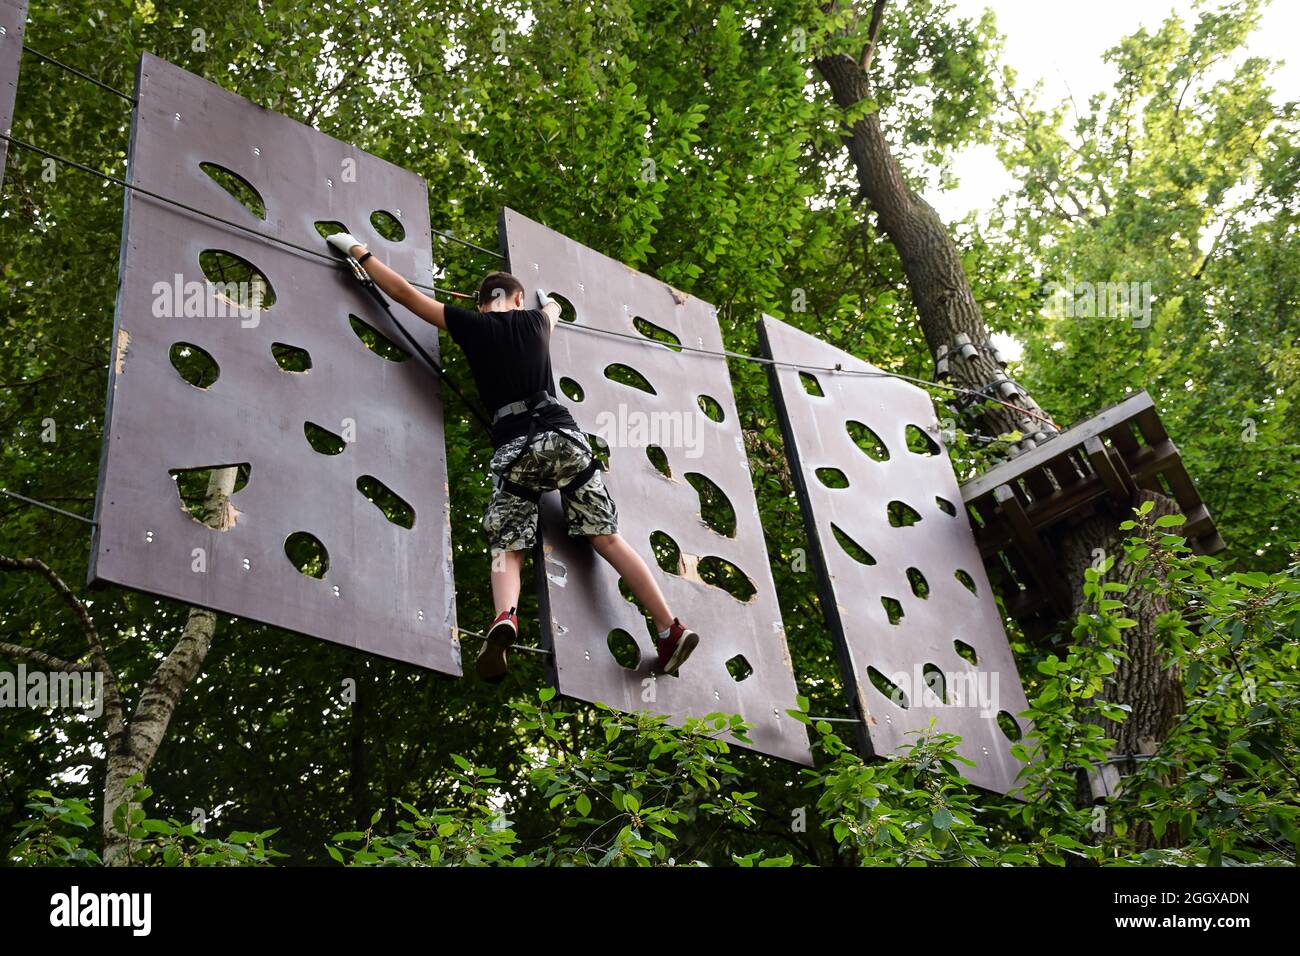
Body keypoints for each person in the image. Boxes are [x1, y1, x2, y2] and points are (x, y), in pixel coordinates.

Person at [324, 232, 700, 682]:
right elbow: (553, 312)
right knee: (608, 537)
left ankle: (506, 616)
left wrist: (358, 252)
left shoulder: (472, 324)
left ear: (482, 303)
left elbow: (404, 293)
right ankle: (668, 627)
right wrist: (550, 305)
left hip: (518, 449)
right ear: (518, 299)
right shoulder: (538, 323)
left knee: (508, 545)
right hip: (565, 438)